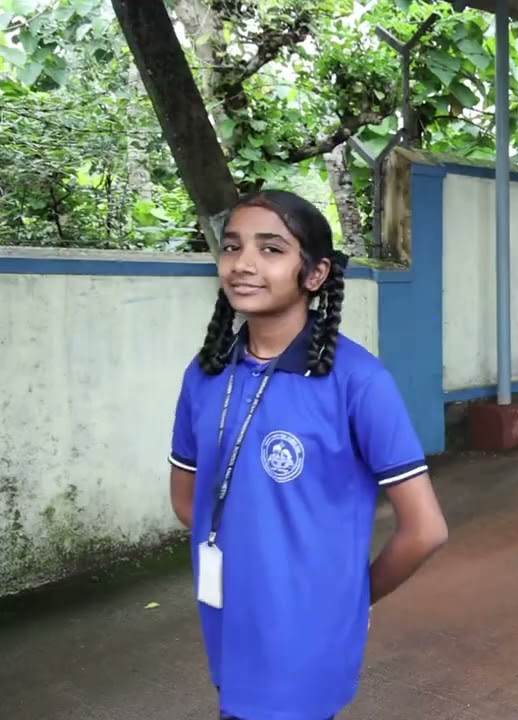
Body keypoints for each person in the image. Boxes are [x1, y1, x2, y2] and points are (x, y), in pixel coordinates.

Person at [167, 190, 450, 720]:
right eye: (232, 247)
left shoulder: (357, 381)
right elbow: (188, 498)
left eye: (271, 250)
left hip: (309, 631)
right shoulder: (205, 373)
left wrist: (350, 596)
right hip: (230, 615)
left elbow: (426, 529)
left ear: (315, 274)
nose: (243, 264)